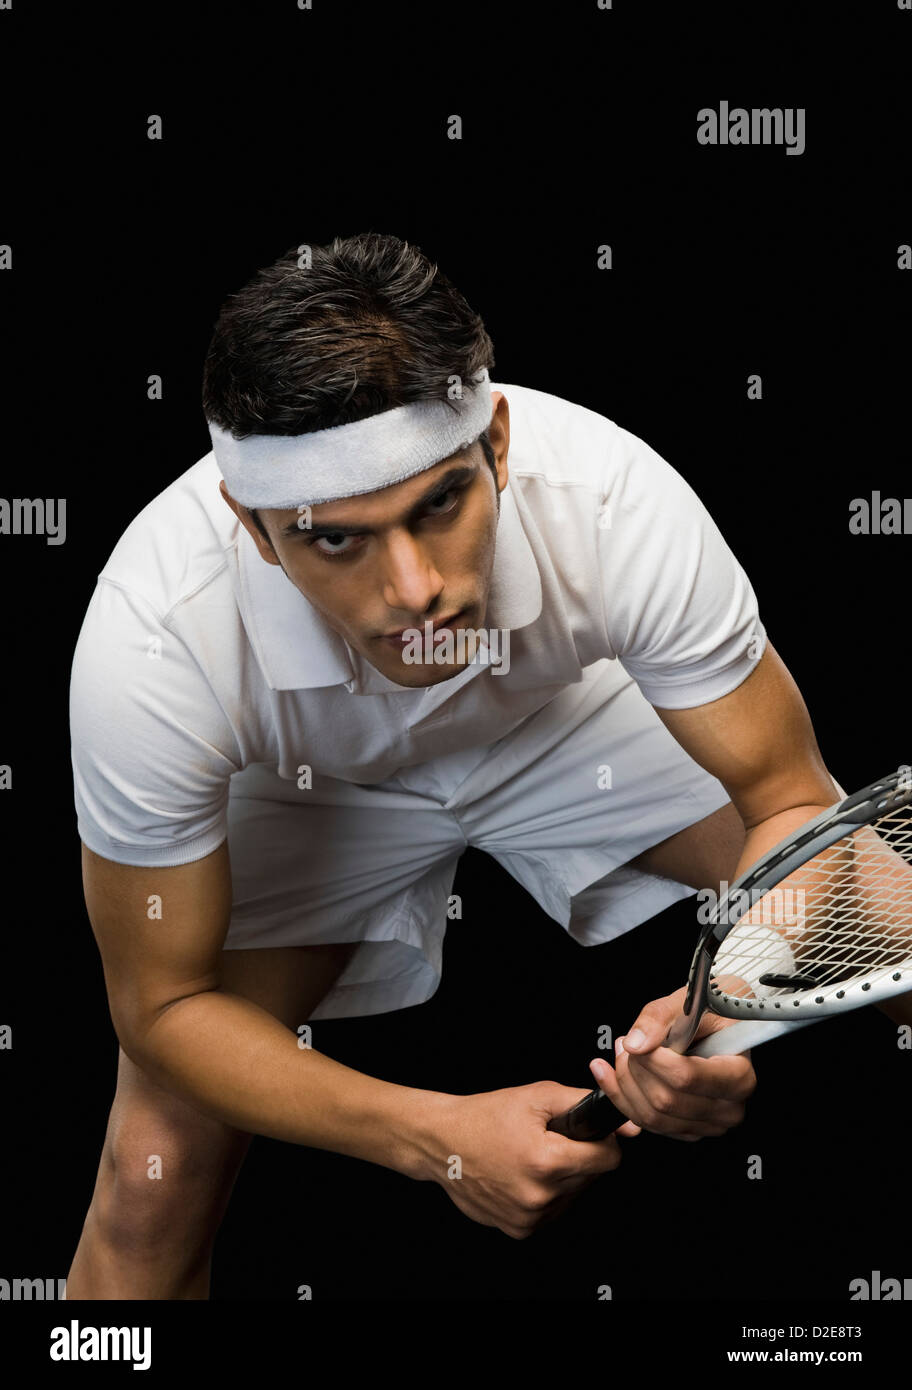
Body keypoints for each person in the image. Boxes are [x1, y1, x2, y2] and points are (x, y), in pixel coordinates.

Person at [66, 231, 845, 1299]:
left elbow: (793, 801)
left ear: (499, 447)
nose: (415, 588)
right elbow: (158, 1008)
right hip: (305, 788)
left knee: (883, 892)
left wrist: (721, 1010)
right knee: (149, 1176)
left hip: (554, 721)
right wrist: (434, 1137)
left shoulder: (614, 502)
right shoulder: (151, 639)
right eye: (336, 539)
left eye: (440, 503)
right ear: (250, 527)